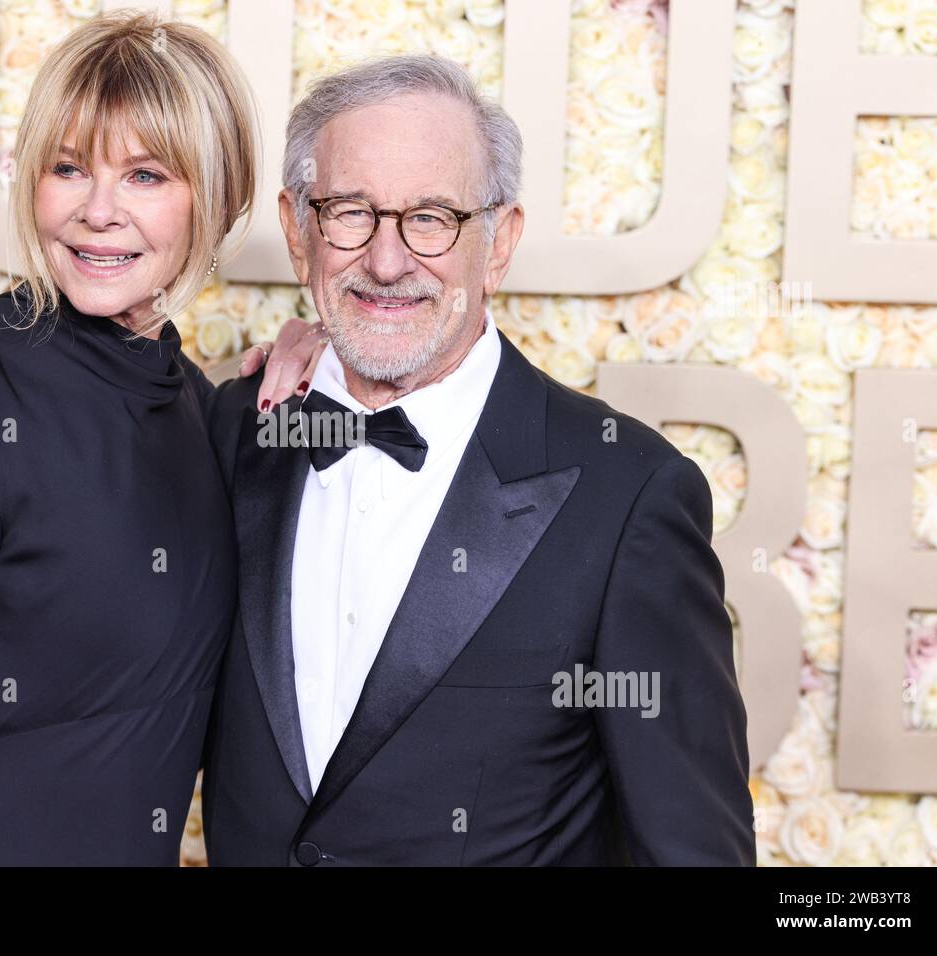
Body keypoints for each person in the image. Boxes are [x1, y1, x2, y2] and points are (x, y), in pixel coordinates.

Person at [200, 53, 756, 866]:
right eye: (350, 212)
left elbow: (693, 851)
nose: (387, 262)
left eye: (432, 218)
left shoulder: (628, 496)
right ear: (297, 231)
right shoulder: (228, 434)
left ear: (498, 244)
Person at [0, 10, 321, 866]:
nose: (97, 212)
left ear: (222, 195)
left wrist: (326, 348)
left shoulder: (199, 411)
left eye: (146, 176)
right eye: (67, 168)